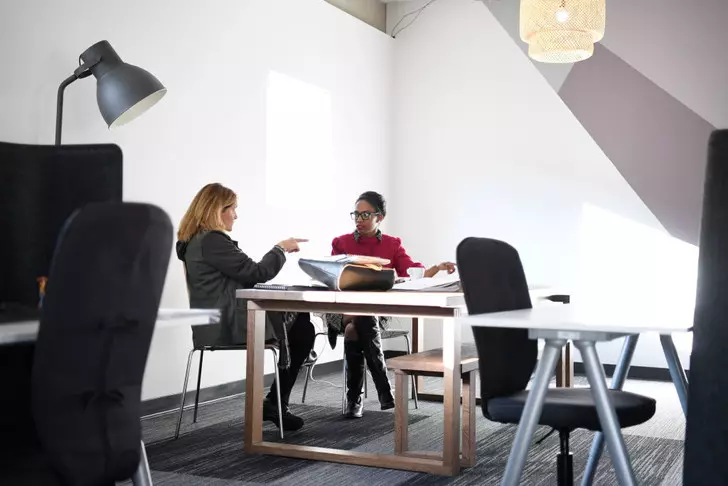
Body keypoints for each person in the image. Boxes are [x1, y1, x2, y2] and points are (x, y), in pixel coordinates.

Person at [176, 183, 314, 431]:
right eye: (233, 209)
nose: (236, 216)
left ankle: (275, 402)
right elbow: (256, 272)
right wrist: (280, 248)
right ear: (217, 210)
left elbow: (239, 278)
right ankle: (275, 403)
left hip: (211, 324)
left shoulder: (194, 241)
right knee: (303, 329)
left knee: (300, 323)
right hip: (229, 324)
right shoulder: (212, 241)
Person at [330, 191, 456, 418]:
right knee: (358, 318)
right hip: (344, 309)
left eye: (365, 214)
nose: (359, 219)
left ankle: (354, 400)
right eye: (356, 215)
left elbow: (413, 274)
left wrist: (436, 268)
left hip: (373, 315)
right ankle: (384, 390)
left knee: (356, 328)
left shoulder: (392, 244)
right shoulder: (341, 243)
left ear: (380, 217)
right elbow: (332, 278)